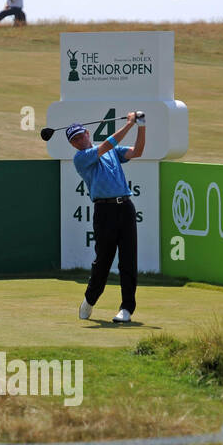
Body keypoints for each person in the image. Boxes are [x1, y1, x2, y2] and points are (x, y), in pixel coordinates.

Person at [68, 112, 145, 323]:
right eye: (74, 139)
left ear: (87, 133)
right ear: (73, 145)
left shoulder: (111, 152)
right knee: (103, 262)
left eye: (80, 135)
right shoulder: (81, 158)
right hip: (104, 212)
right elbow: (106, 146)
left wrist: (141, 126)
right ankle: (89, 300)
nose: (79, 140)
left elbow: (136, 152)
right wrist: (130, 124)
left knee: (128, 260)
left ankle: (126, 309)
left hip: (126, 208)